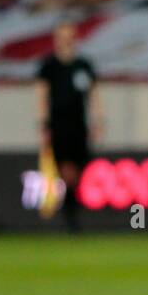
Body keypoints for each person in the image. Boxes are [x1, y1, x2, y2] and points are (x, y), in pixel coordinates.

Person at [35, 22, 100, 232]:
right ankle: (70, 215)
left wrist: (98, 120)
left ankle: (70, 208)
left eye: (69, 36)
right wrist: (44, 124)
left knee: (79, 171)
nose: (66, 40)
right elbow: (42, 95)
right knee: (66, 171)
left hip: (79, 125)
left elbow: (93, 95)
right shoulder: (49, 66)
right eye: (62, 36)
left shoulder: (83, 65)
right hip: (58, 126)